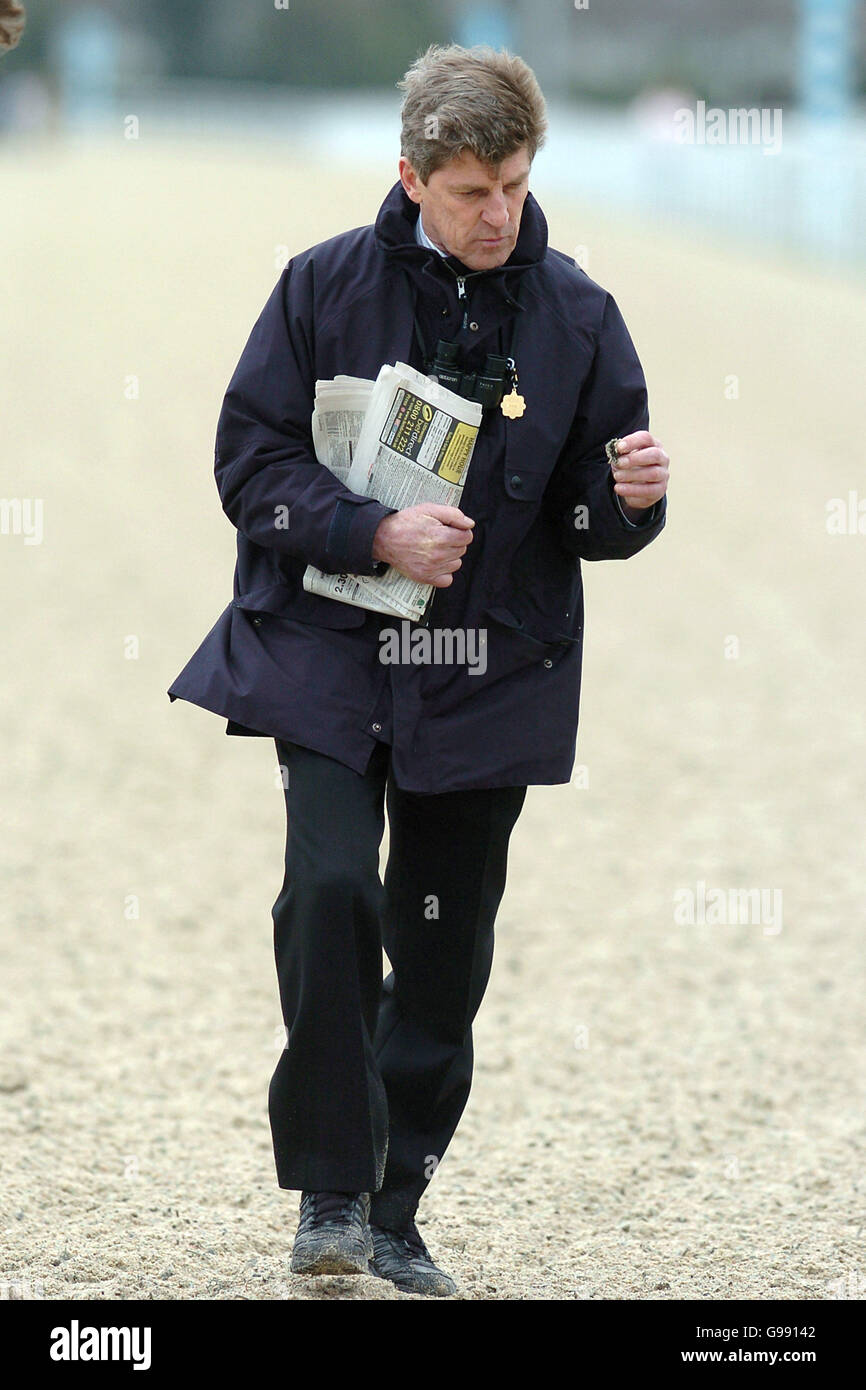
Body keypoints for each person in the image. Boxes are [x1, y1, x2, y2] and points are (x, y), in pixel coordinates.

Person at [168, 43, 670, 1297]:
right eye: (467, 190)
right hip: (328, 654)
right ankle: (328, 1195)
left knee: (442, 950)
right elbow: (248, 469)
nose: (494, 213)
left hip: (488, 669)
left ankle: (394, 1211)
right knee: (329, 893)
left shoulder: (578, 317)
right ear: (408, 175)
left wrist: (624, 506)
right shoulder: (320, 287)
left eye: (510, 184)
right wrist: (367, 529)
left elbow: (583, 522)